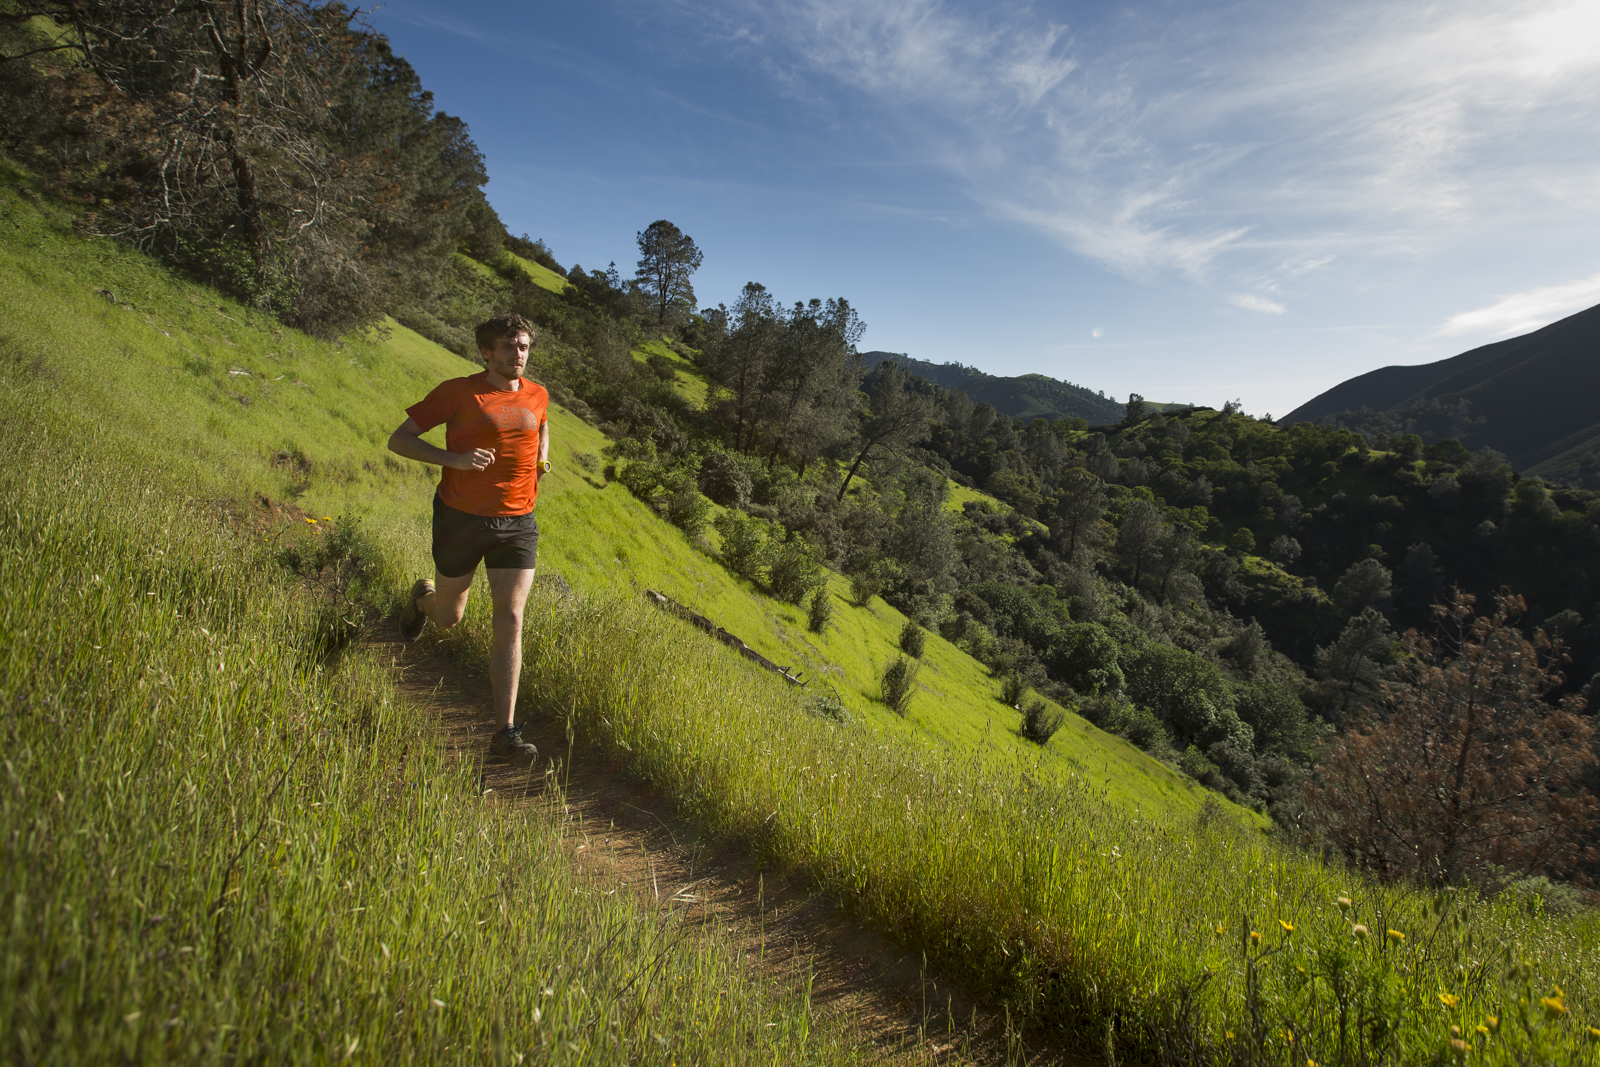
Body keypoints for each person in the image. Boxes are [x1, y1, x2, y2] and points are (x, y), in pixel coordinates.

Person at [387, 312, 549, 763]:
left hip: (517, 522)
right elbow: (399, 440)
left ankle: (505, 733)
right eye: (509, 346)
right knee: (449, 617)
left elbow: (542, 424)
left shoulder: (538, 394)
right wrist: (453, 460)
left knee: (511, 619)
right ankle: (422, 599)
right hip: (461, 517)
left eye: (524, 347)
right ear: (485, 352)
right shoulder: (459, 392)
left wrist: (542, 458)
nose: (518, 354)